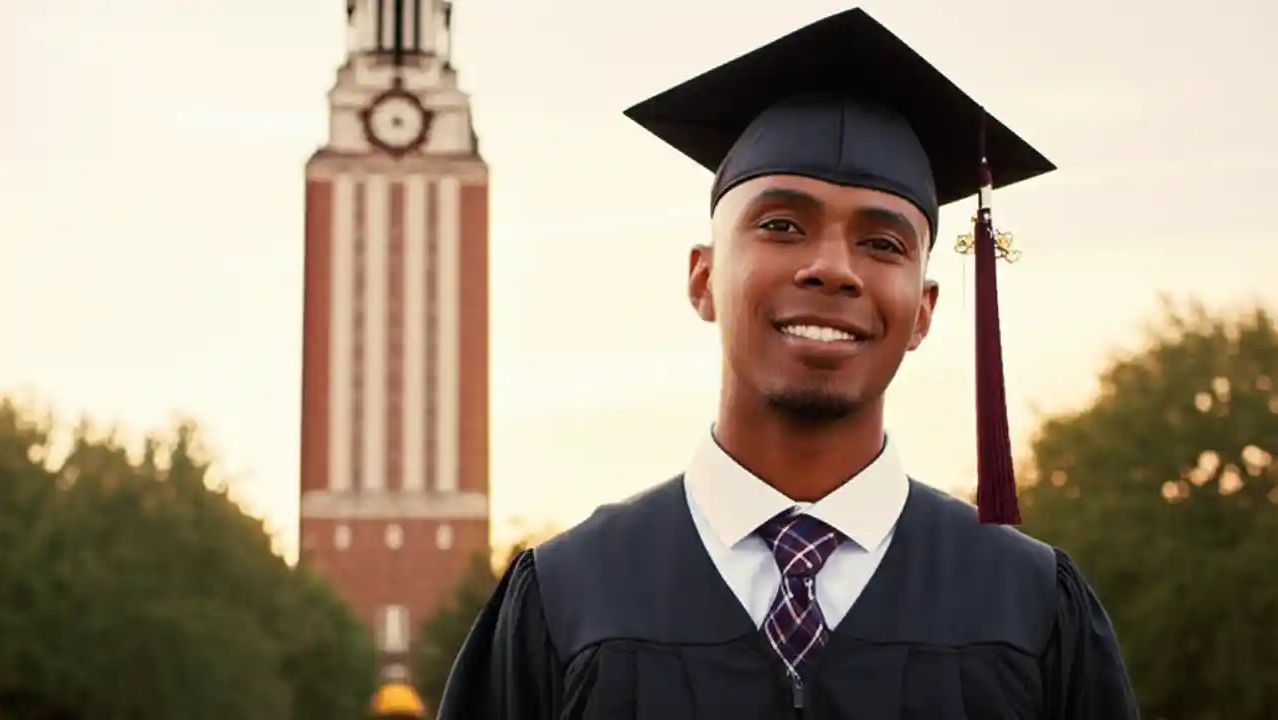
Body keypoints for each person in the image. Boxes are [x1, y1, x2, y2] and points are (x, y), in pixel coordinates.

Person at [437, 8, 1139, 719]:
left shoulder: (1026, 602)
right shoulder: (568, 595)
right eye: (782, 226)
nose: (833, 268)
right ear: (702, 279)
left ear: (924, 310)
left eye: (883, 243)